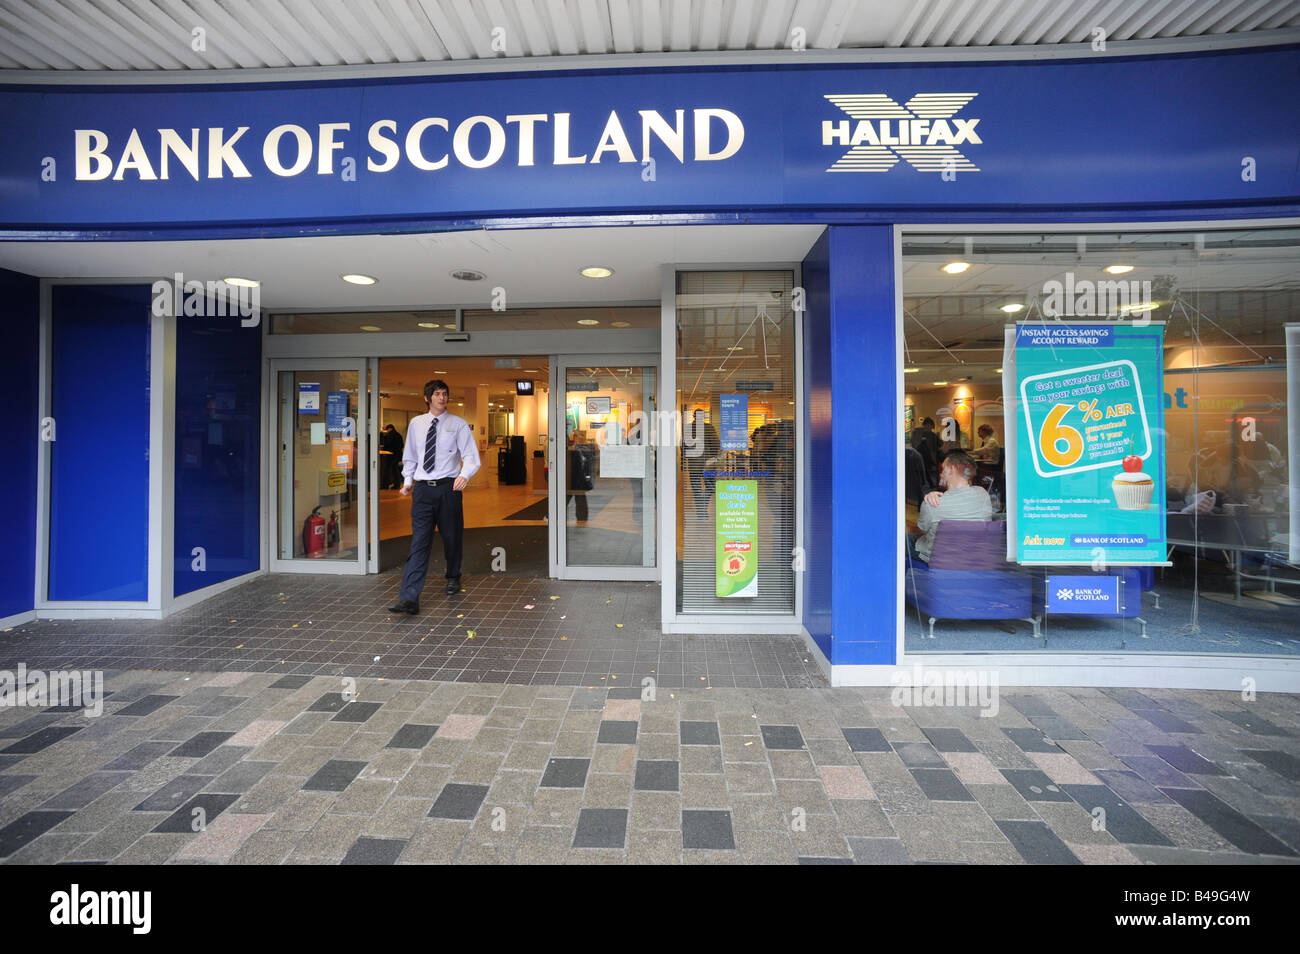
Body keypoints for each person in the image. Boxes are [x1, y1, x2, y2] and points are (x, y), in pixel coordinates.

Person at [387, 380, 481, 614]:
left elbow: (471, 455)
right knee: (419, 542)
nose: (442, 398)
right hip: (423, 491)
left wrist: (465, 475)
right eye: (437, 394)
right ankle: (409, 598)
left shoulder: (458, 424)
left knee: (451, 537)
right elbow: (410, 455)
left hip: (448, 488)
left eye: (445, 394)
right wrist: (407, 482)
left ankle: (453, 577)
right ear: (427, 398)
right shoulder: (416, 424)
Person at [908, 451, 992, 563]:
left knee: (901, 539)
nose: (940, 474)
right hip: (974, 556)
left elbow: (922, 529)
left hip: (939, 559)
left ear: (951, 469)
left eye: (942, 470)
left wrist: (928, 497)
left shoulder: (931, 504)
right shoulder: (983, 494)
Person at [909, 417, 941, 484]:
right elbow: (933, 451)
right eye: (932, 426)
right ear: (929, 425)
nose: (932, 429)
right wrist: (935, 463)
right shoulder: (931, 435)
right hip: (928, 463)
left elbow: (913, 445)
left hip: (916, 462)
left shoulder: (915, 433)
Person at [379, 423, 404, 489]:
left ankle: (385, 485)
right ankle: (397, 485)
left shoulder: (390, 435)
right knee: (395, 470)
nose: (387, 431)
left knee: (387, 471)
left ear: (390, 429)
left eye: (387, 429)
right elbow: (402, 445)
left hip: (391, 455)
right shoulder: (398, 434)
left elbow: (386, 444)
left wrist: (382, 436)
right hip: (398, 455)